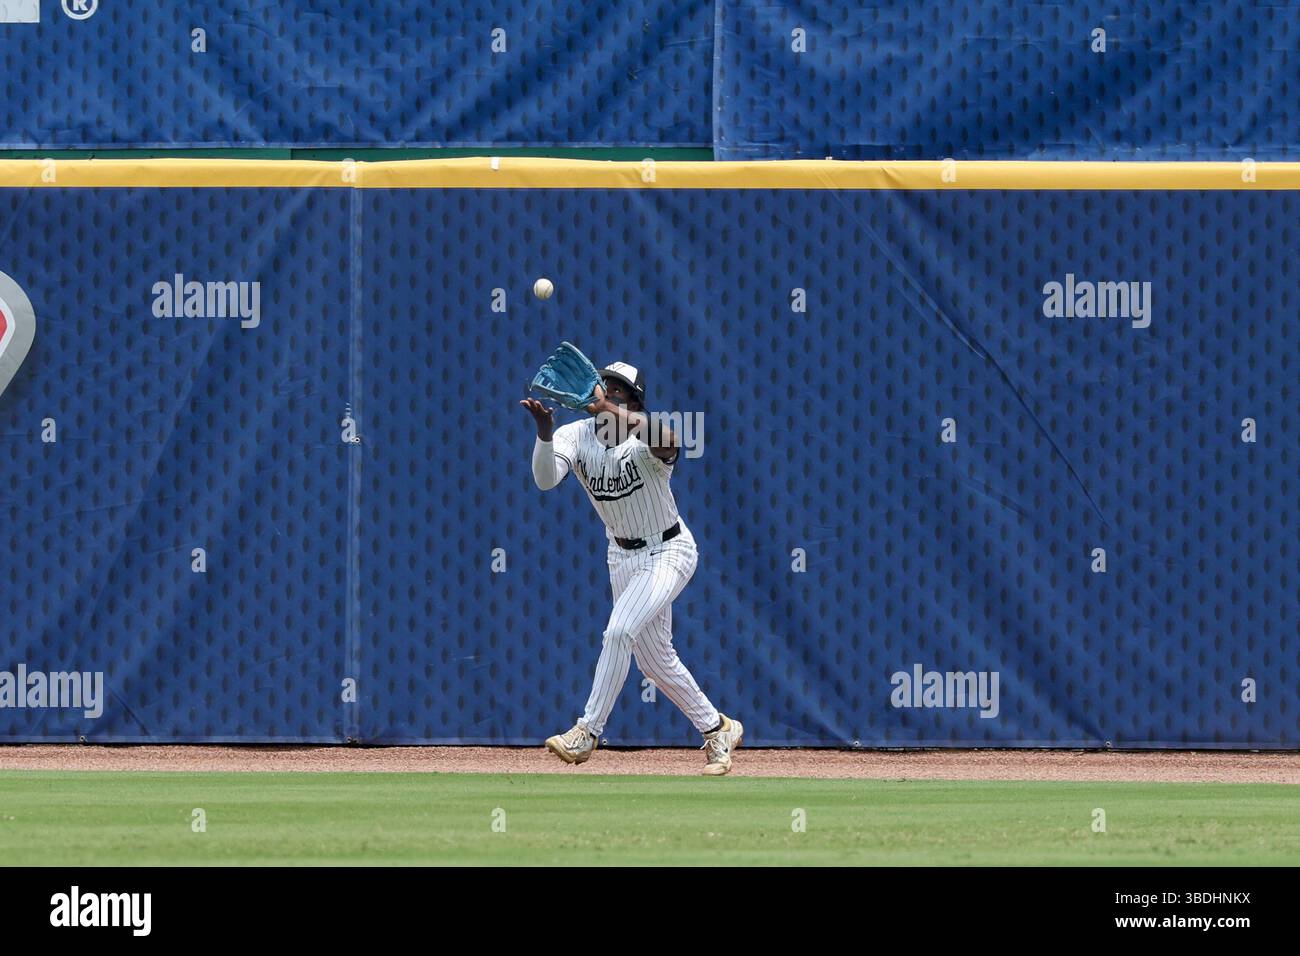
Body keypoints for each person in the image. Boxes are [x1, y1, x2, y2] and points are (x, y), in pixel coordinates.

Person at [519, 360, 743, 775]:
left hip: (670, 550)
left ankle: (587, 731)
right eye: (603, 386)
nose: (605, 393)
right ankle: (718, 728)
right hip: (621, 556)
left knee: (620, 629)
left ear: (634, 403)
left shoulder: (645, 438)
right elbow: (546, 480)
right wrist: (544, 435)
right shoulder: (575, 435)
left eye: (618, 391)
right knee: (656, 662)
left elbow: (671, 440)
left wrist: (607, 408)